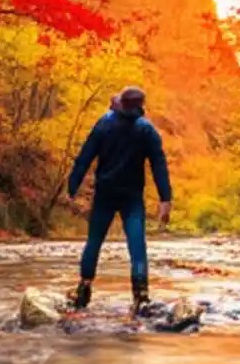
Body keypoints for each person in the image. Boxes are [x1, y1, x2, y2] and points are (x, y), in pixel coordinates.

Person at [66, 86, 172, 315]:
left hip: (105, 194)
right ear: (140, 105)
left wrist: (71, 188)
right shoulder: (146, 130)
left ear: (122, 103)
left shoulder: (104, 124)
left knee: (94, 241)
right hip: (132, 196)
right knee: (137, 244)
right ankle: (141, 294)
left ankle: (83, 288)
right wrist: (165, 199)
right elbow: (159, 165)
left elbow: (84, 158)